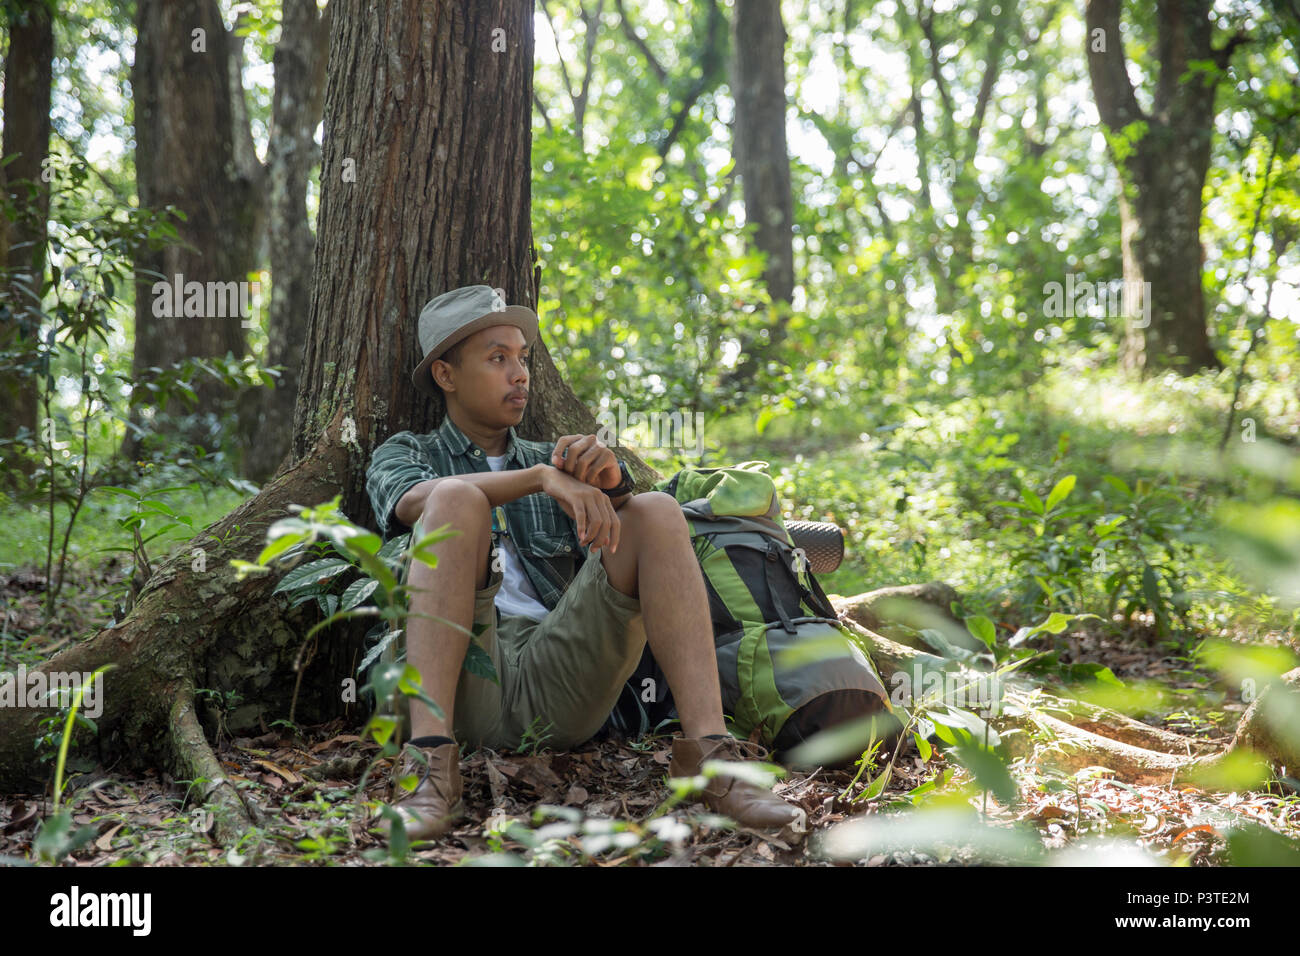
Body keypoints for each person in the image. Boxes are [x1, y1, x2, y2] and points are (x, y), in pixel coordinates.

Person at [364, 284, 805, 842]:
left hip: (556, 676)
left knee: (657, 510)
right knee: (455, 497)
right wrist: (541, 480)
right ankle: (427, 768)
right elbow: (410, 502)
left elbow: (632, 542)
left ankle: (713, 761)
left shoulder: (555, 460)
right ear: (446, 376)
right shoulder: (404, 452)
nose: (520, 374)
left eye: (522, 358)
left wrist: (611, 482)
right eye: (497, 359)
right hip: (458, 684)